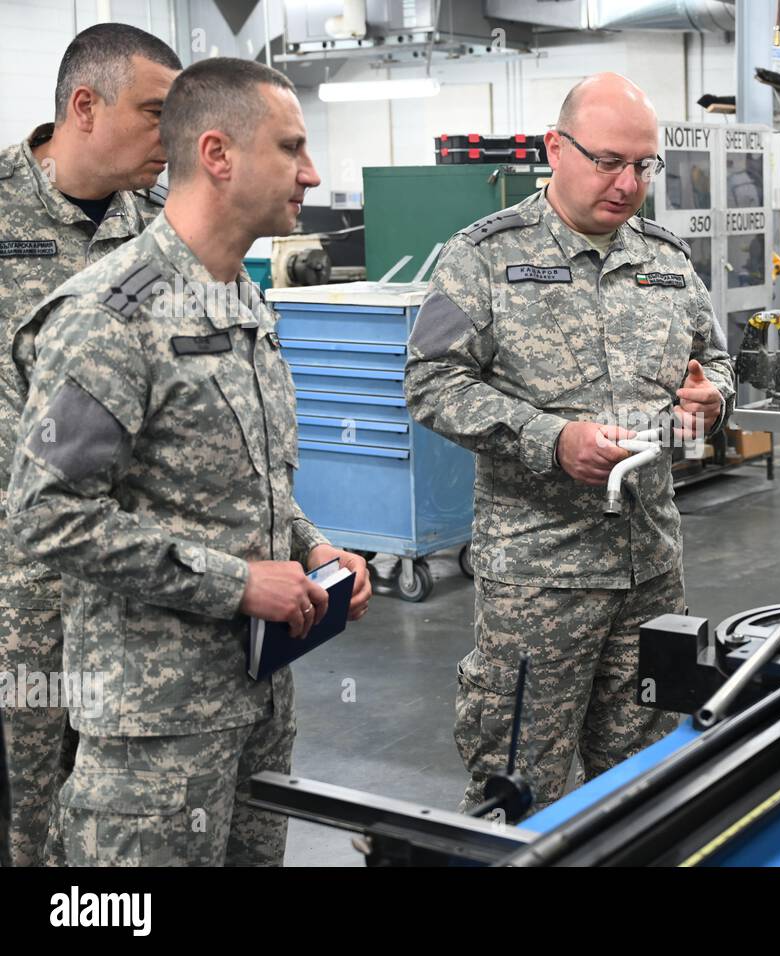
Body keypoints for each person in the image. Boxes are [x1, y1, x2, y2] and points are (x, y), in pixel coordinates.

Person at [5, 57, 371, 866]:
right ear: (217, 155)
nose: (312, 173)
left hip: (258, 696)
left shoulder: (240, 295)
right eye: (291, 148)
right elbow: (45, 515)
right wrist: (237, 582)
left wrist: (312, 546)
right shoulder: (108, 315)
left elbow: (244, 475)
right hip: (154, 732)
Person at [404, 73, 734, 813]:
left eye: (644, 166)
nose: (627, 183)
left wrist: (711, 403)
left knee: (651, 781)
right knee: (523, 788)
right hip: (538, 581)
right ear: (555, 148)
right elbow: (430, 383)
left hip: (650, 570)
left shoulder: (666, 260)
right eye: (608, 161)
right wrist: (550, 440)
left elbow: (715, 365)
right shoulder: (482, 258)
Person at [0, 22, 180, 867]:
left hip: (128, 578)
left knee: (121, 805)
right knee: (28, 802)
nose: (172, 139)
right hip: (20, 587)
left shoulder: (160, 230)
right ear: (84, 107)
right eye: (155, 114)